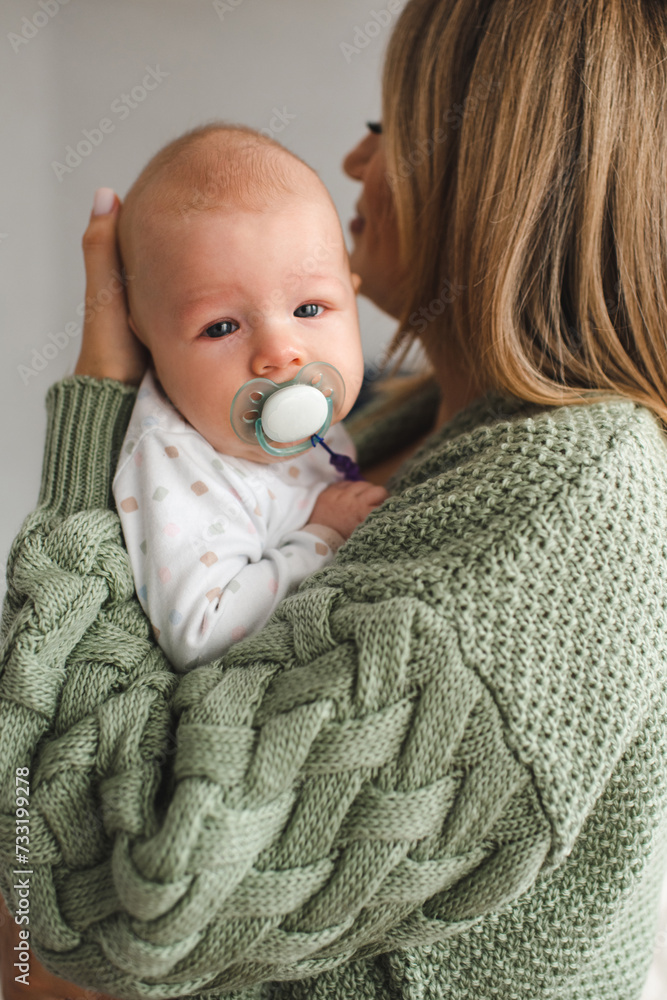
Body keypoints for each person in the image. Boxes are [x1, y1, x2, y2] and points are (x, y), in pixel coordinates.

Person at [2, 0, 667, 998]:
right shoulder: (381, 426)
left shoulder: (566, 503)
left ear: (495, 168)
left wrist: (96, 416)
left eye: (386, 129)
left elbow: (98, 894)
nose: (353, 167)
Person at [110, 123, 387, 670]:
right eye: (220, 328)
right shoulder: (174, 460)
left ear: (351, 302)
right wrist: (322, 537)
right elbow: (202, 633)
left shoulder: (324, 419)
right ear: (147, 340)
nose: (281, 353)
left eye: (309, 310)